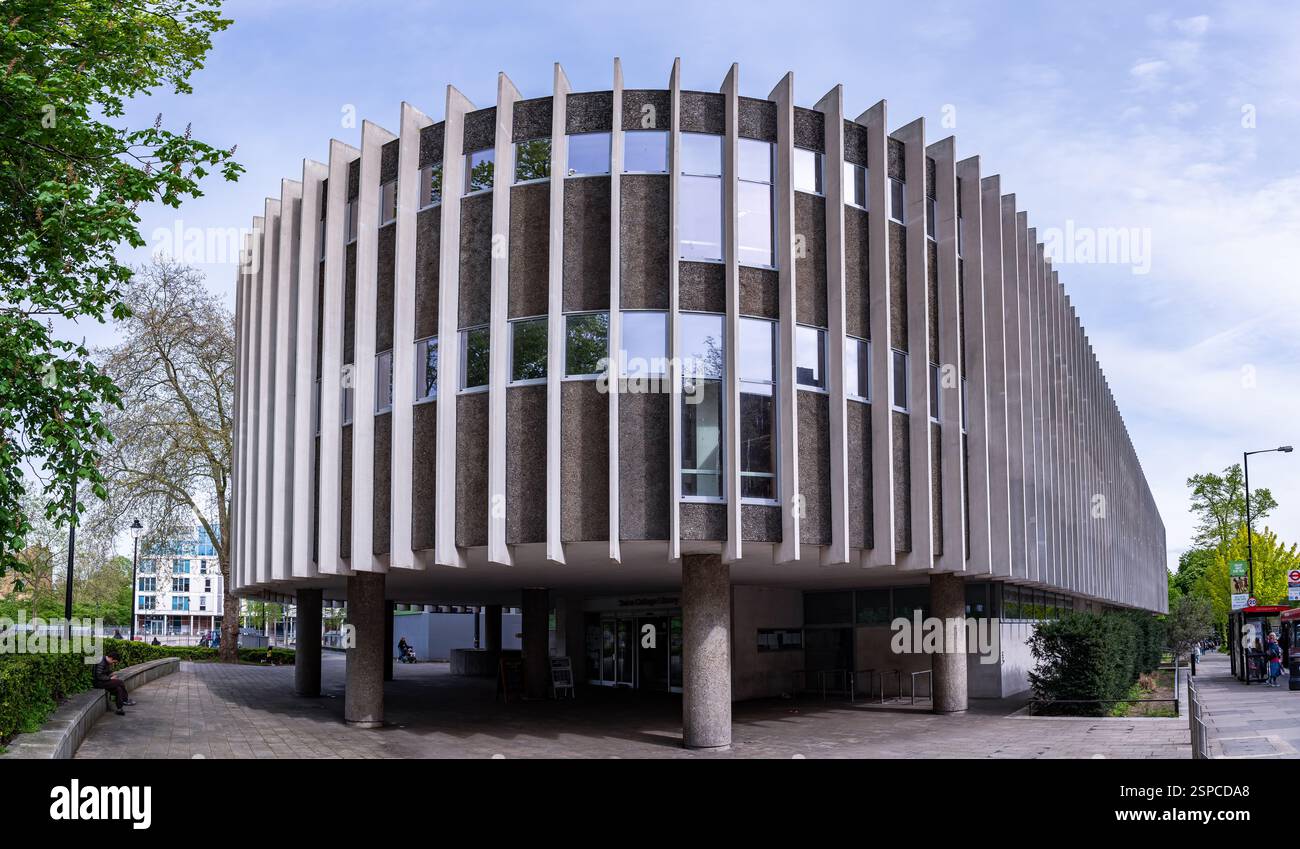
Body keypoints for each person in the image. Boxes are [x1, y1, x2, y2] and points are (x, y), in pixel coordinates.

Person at [92, 651, 137, 715]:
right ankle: (125, 700)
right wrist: (110, 678)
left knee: (118, 689)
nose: (113, 663)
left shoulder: (106, 661)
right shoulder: (101, 661)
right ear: (111, 658)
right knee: (120, 682)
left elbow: (105, 672)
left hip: (104, 681)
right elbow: (99, 675)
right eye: (114, 662)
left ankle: (119, 709)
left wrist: (111, 674)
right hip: (99, 683)